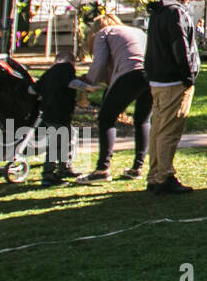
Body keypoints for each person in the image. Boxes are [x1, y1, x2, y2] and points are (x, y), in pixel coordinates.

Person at [144, 0, 200, 195]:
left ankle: (155, 173)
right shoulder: (175, 12)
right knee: (169, 129)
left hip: (158, 79)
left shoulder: (158, 12)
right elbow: (180, 46)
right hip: (173, 80)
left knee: (158, 128)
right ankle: (164, 175)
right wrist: (188, 75)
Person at [77, 13, 151, 182]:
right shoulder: (138, 31)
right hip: (152, 74)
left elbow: (100, 63)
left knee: (106, 118)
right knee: (143, 120)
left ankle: (102, 169)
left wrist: (89, 82)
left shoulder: (105, 32)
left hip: (131, 73)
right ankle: (137, 167)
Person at [37, 52, 78, 185]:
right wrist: (90, 87)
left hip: (50, 114)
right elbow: (71, 83)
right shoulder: (65, 68)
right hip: (59, 115)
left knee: (68, 137)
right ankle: (48, 176)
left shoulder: (49, 73)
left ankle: (64, 168)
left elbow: (32, 90)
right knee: (55, 144)